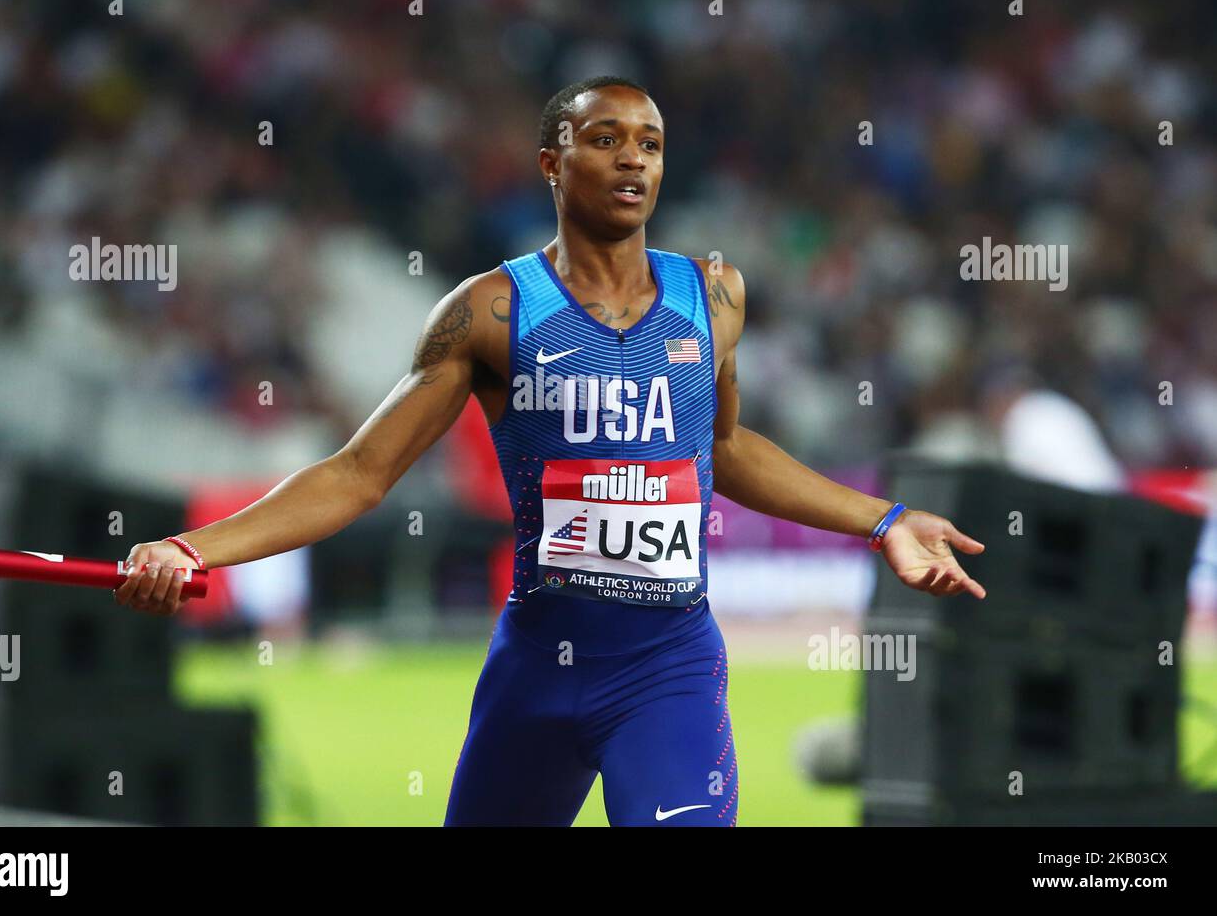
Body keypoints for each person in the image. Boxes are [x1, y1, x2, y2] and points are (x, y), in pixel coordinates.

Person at [114, 76, 986, 826]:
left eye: (649, 142)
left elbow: (724, 448)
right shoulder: (490, 312)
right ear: (551, 163)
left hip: (666, 665)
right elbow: (356, 474)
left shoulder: (714, 296)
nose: (633, 159)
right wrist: (195, 547)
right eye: (604, 140)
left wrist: (886, 520)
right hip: (537, 668)